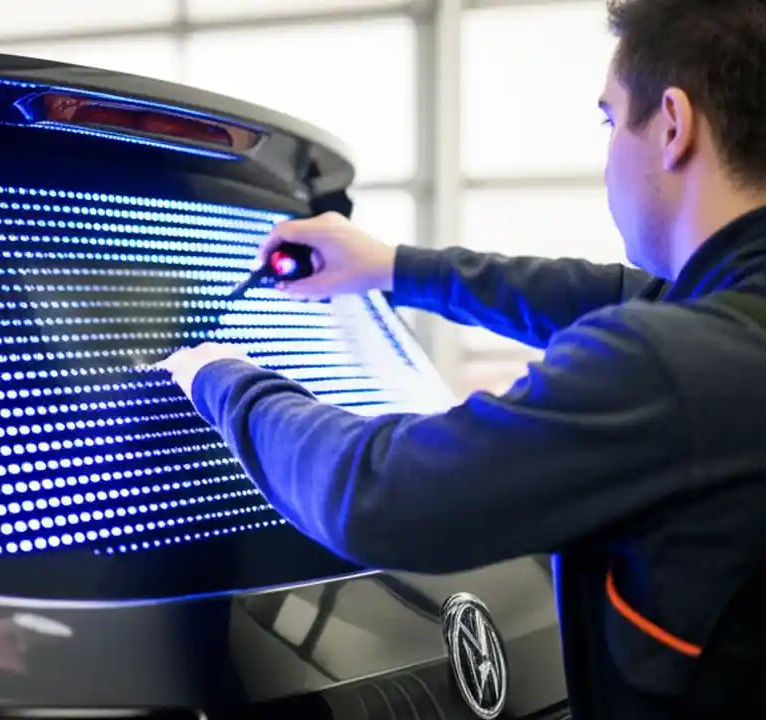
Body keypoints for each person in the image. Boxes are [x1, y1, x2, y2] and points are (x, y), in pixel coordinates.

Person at [154, 0, 766, 717]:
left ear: (672, 125)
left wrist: (219, 377)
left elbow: (377, 492)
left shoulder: (675, 369)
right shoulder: (732, 324)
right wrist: (392, 267)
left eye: (610, 121)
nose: (608, 157)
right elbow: (615, 296)